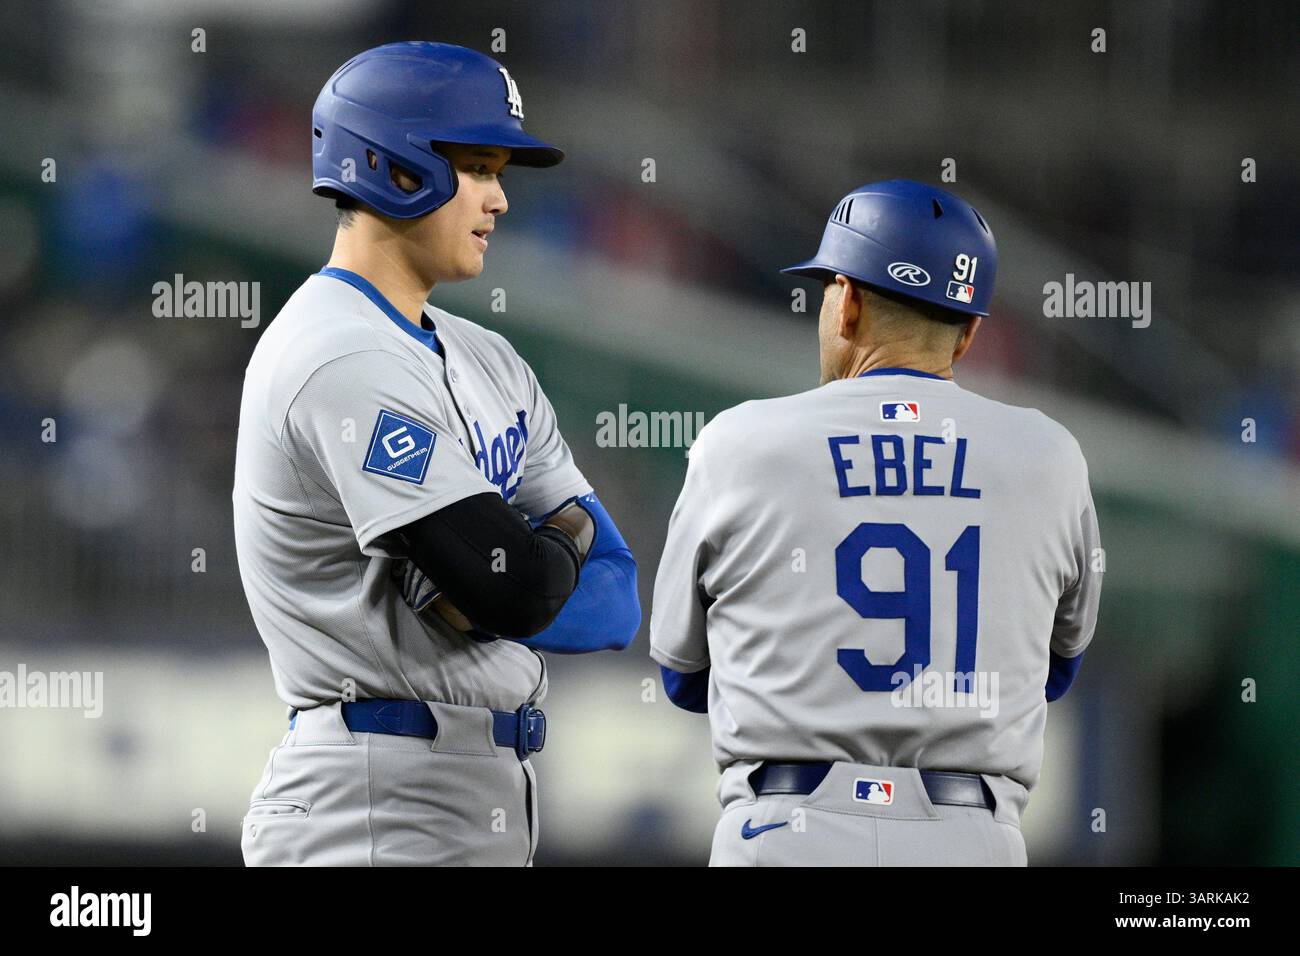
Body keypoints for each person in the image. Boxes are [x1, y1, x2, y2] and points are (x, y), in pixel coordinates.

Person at [233, 41, 640, 866]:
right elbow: (516, 586)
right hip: (375, 799)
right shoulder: (338, 354)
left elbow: (617, 594)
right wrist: (529, 560)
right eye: (481, 168)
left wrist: (506, 575)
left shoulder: (489, 357)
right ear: (396, 167)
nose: (498, 200)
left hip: (474, 790)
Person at [650, 180, 1101, 866]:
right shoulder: (1051, 454)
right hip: (970, 836)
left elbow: (682, 676)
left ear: (849, 300)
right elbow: (1057, 668)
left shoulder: (741, 441)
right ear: (971, 330)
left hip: (784, 831)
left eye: (829, 289)